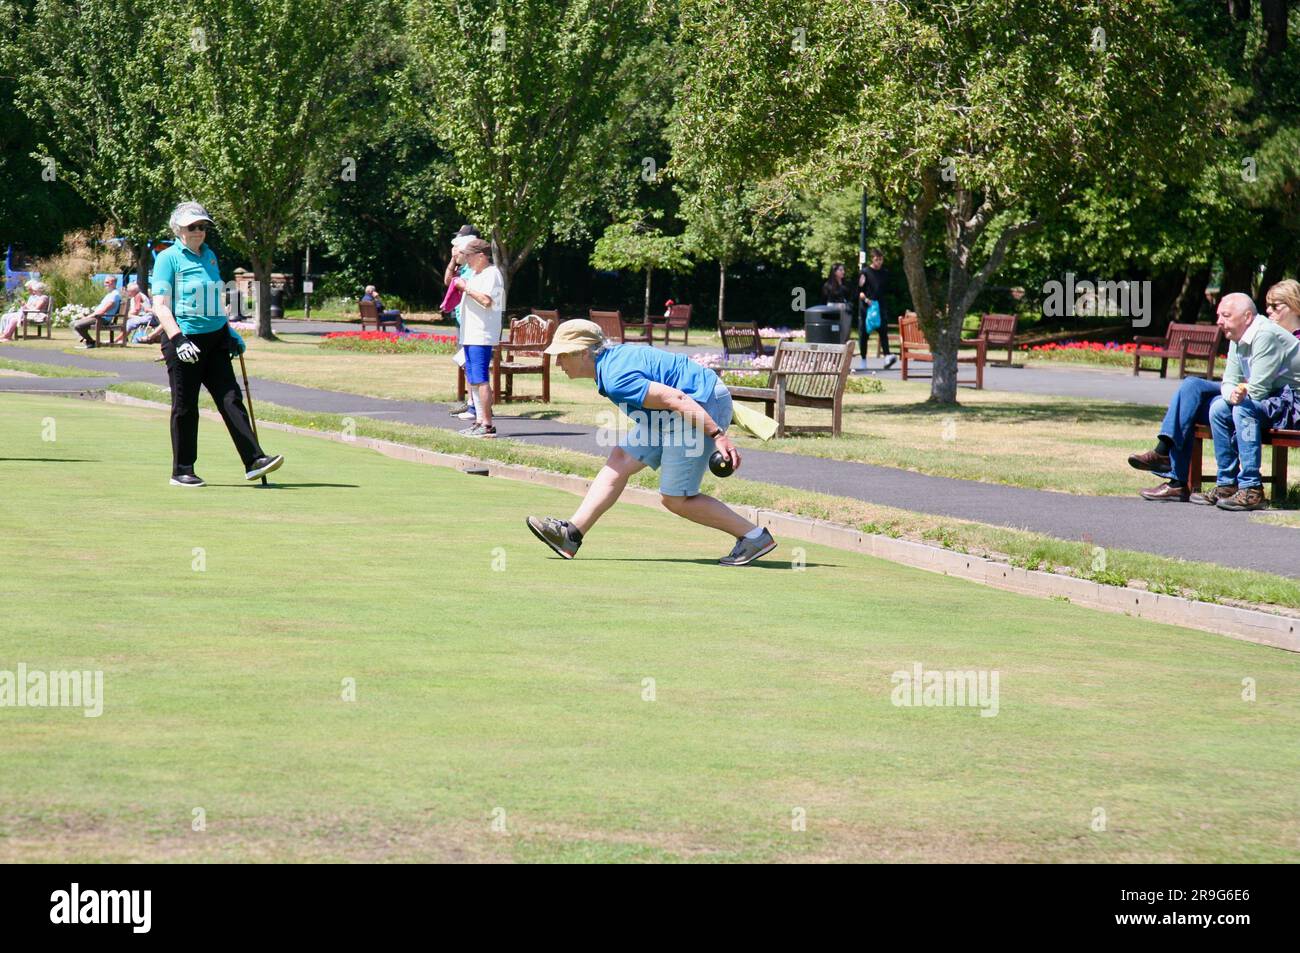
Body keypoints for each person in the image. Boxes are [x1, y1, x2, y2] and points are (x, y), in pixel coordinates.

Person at [525, 319, 778, 567]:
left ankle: (753, 537)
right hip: (674, 409)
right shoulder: (609, 363)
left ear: (582, 352)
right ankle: (571, 534)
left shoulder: (615, 377)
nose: (558, 362)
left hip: (697, 404)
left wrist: (717, 435)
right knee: (620, 459)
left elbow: (676, 397)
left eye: (562, 355)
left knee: (675, 499)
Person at [150, 201, 284, 487]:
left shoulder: (209, 256)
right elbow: (160, 305)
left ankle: (254, 460)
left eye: (202, 226)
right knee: (186, 406)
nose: (198, 231)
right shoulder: (168, 258)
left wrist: (229, 331)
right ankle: (182, 469)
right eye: (192, 227)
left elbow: (215, 300)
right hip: (184, 339)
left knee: (230, 398)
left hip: (216, 339)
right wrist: (177, 338)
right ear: (178, 229)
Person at [1204, 292, 1300, 511]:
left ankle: (1251, 488)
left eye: (1226, 315)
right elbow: (1228, 382)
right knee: (1218, 407)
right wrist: (1232, 395)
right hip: (1277, 399)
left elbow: (1257, 391)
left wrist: (1238, 397)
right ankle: (1227, 483)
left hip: (1295, 403)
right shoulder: (1238, 338)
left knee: (1244, 409)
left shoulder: (1264, 334)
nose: (1219, 321)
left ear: (1247, 317)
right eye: (1219, 316)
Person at [452, 237, 502, 438]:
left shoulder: (492, 274)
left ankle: (487, 424)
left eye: (469, 256)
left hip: (482, 333)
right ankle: (479, 420)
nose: (467, 260)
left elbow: (486, 300)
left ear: (481, 256)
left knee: (481, 379)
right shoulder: (474, 273)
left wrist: (465, 287)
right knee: (473, 378)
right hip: (470, 333)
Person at [444, 225, 480, 421]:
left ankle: (478, 408)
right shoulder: (462, 266)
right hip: (463, 321)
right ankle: (473, 405)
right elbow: (448, 281)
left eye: (459, 242)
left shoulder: (474, 269)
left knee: (472, 365)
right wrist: (452, 260)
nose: (455, 248)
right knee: (467, 364)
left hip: (473, 324)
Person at [860, 249, 897, 369]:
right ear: (872, 259)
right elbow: (859, 291)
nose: (879, 262)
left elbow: (887, 289)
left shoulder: (884, 273)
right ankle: (863, 359)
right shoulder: (864, 272)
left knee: (883, 331)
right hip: (867, 307)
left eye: (881, 259)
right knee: (864, 333)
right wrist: (866, 300)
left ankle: (887, 356)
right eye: (877, 259)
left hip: (880, 306)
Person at [72, 276, 122, 348]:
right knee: (72, 323)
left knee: (77, 325)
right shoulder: (110, 294)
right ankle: (88, 341)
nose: (105, 284)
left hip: (102, 319)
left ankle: (90, 342)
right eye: (105, 282)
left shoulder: (114, 295)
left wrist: (88, 317)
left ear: (114, 284)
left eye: (107, 282)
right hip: (98, 317)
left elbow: (103, 311)